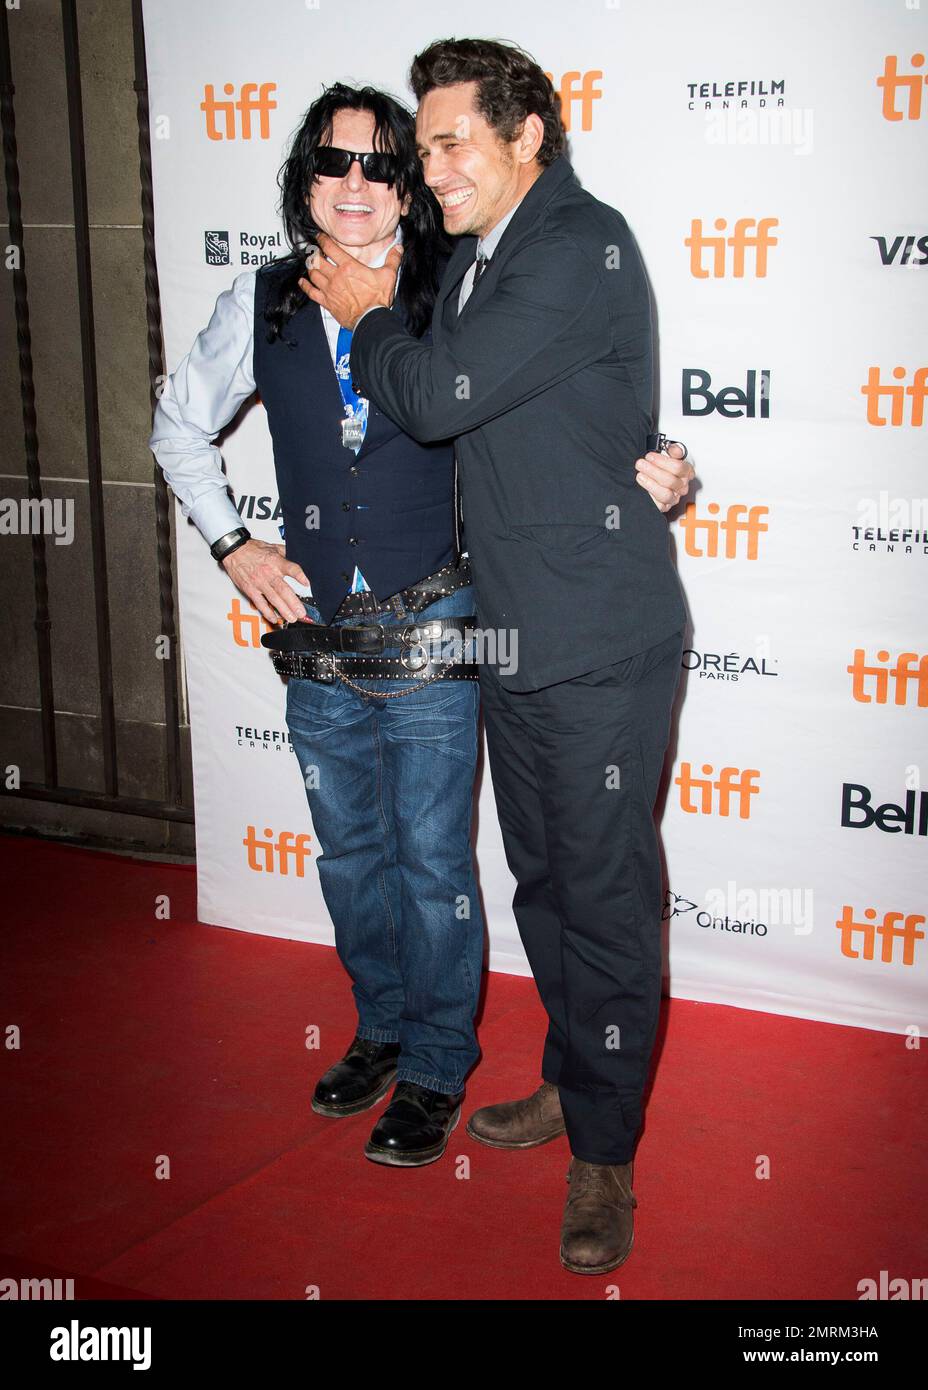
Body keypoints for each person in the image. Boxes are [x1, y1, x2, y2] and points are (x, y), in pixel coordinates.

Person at [150, 79, 692, 1176]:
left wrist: (653, 459)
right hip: (317, 634)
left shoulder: (460, 288)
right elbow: (176, 427)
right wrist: (234, 545)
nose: (356, 183)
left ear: (405, 188)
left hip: (441, 625)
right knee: (353, 856)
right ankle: (382, 1030)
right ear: (304, 182)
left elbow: (556, 397)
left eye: (380, 164)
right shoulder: (258, 300)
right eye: (332, 162)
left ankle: (441, 1064)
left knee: (436, 858)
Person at [303, 38, 691, 1271]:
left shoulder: (575, 242)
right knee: (544, 889)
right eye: (422, 147)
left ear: (526, 136)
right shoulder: (486, 255)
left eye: (451, 142)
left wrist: (367, 320)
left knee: (603, 904)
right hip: (515, 633)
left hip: (597, 641)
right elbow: (561, 416)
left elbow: (437, 395)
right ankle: (574, 1085)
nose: (431, 169)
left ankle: (606, 1156)